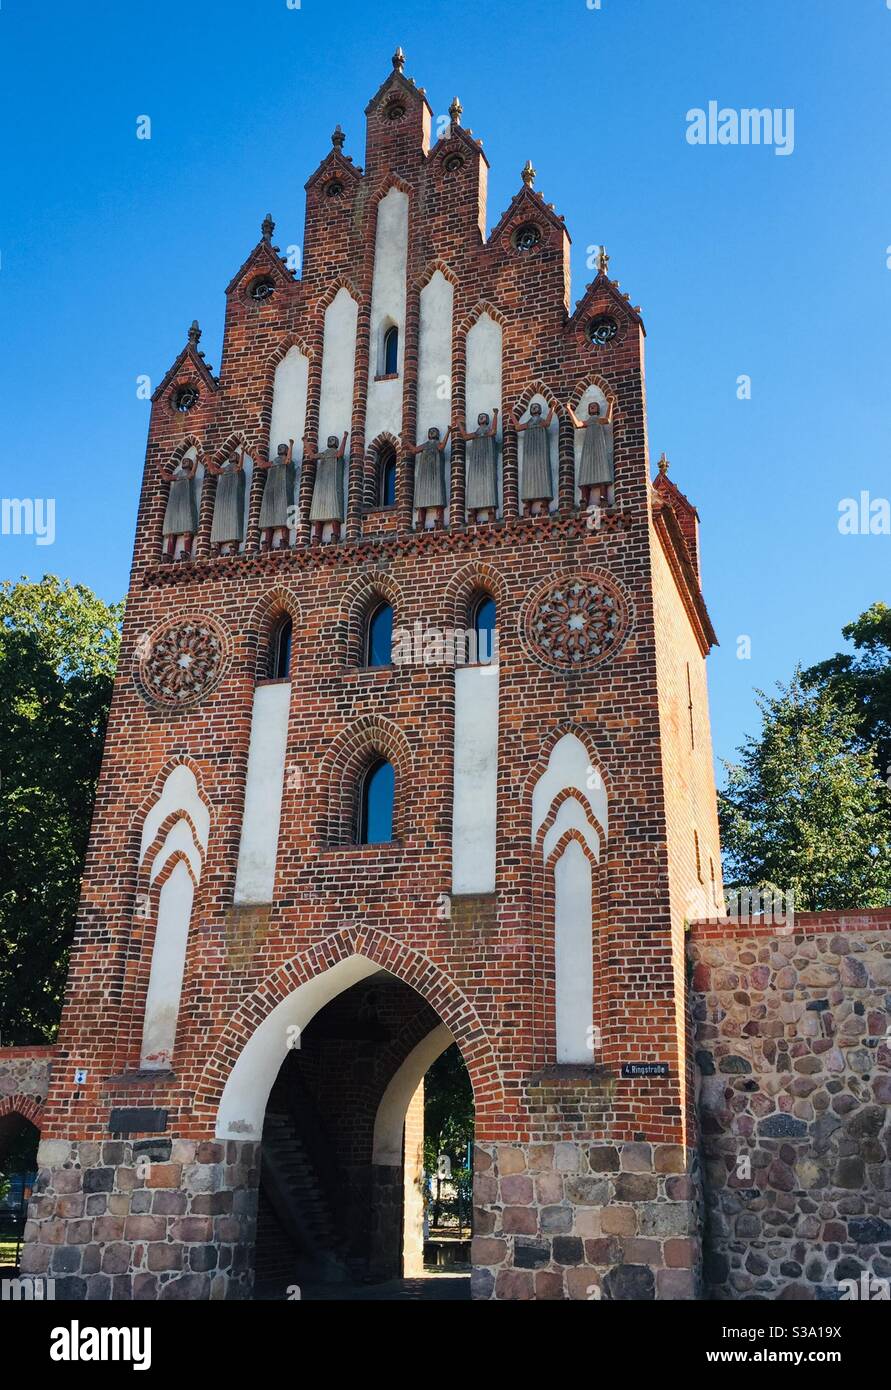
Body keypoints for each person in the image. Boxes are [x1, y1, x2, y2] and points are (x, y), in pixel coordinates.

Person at [566, 398, 614, 509]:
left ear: (598, 409)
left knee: (601, 468)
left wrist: (610, 404)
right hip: (588, 447)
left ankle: (603, 496)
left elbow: (607, 420)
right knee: (586, 470)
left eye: (594, 405)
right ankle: (584, 498)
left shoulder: (598, 420)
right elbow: (577, 424)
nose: (592, 407)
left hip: (598, 446)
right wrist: (569, 410)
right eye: (590, 406)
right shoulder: (588, 421)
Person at [510, 401, 556, 516]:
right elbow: (518, 427)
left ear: (539, 410)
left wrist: (553, 408)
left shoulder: (540, 420)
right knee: (529, 474)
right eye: (533, 407)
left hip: (540, 449)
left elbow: (547, 423)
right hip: (529, 449)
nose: (534, 408)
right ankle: (528, 502)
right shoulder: (529, 422)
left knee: (542, 471)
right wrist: (510, 413)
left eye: (536, 406)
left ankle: (544, 500)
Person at [405, 425, 451, 530]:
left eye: (434, 431)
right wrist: (404, 439)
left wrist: (448, 432)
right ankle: (420, 521)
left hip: (435, 473)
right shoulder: (425, 445)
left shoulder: (437, 444)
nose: (432, 432)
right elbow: (414, 450)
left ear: (438, 435)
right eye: (431, 431)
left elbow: (442, 447)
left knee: (438, 495)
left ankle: (439, 519)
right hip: (424, 474)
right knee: (422, 497)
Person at [307, 430, 349, 543]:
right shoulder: (324, 453)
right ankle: (317, 535)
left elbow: (340, 453)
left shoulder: (336, 453)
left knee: (334, 509)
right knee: (318, 510)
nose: (331, 441)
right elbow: (311, 456)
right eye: (330, 439)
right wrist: (305, 442)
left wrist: (345, 438)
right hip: (321, 484)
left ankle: (335, 533)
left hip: (332, 483)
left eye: (333, 440)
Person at [457, 408, 499, 523]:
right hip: (476, 460)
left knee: (488, 481)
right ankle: (473, 510)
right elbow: (465, 437)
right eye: (480, 416)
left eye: (484, 416)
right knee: (475, 483)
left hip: (486, 459)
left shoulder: (487, 430)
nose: (481, 417)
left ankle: (490, 508)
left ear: (487, 419)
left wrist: (495, 415)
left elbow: (494, 431)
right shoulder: (476, 432)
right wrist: (458, 424)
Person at [206, 447, 246, 555]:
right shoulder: (225, 468)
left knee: (233, 516)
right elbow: (213, 471)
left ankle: (233, 542)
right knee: (219, 517)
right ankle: (217, 543)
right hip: (222, 495)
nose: (232, 456)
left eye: (235, 455)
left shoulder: (237, 468)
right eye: (231, 455)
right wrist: (208, 459)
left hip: (233, 495)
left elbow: (239, 468)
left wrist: (242, 453)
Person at [159, 451, 199, 560]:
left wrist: (196, 462)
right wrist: (159, 467)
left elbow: (191, 475)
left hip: (186, 502)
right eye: (184, 461)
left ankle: (187, 551)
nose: (184, 462)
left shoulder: (188, 473)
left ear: (190, 465)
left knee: (187, 527)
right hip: (175, 502)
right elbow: (166, 478)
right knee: (172, 529)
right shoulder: (178, 474)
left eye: (187, 461)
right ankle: (170, 553)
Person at [258, 439, 295, 551]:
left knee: (284, 514)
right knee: (269, 515)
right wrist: (254, 452)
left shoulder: (289, 462)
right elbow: (262, 464)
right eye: (279, 447)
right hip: (271, 490)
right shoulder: (274, 462)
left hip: (283, 490)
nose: (280, 449)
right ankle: (267, 541)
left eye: (283, 447)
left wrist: (291, 444)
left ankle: (284, 539)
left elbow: (288, 460)